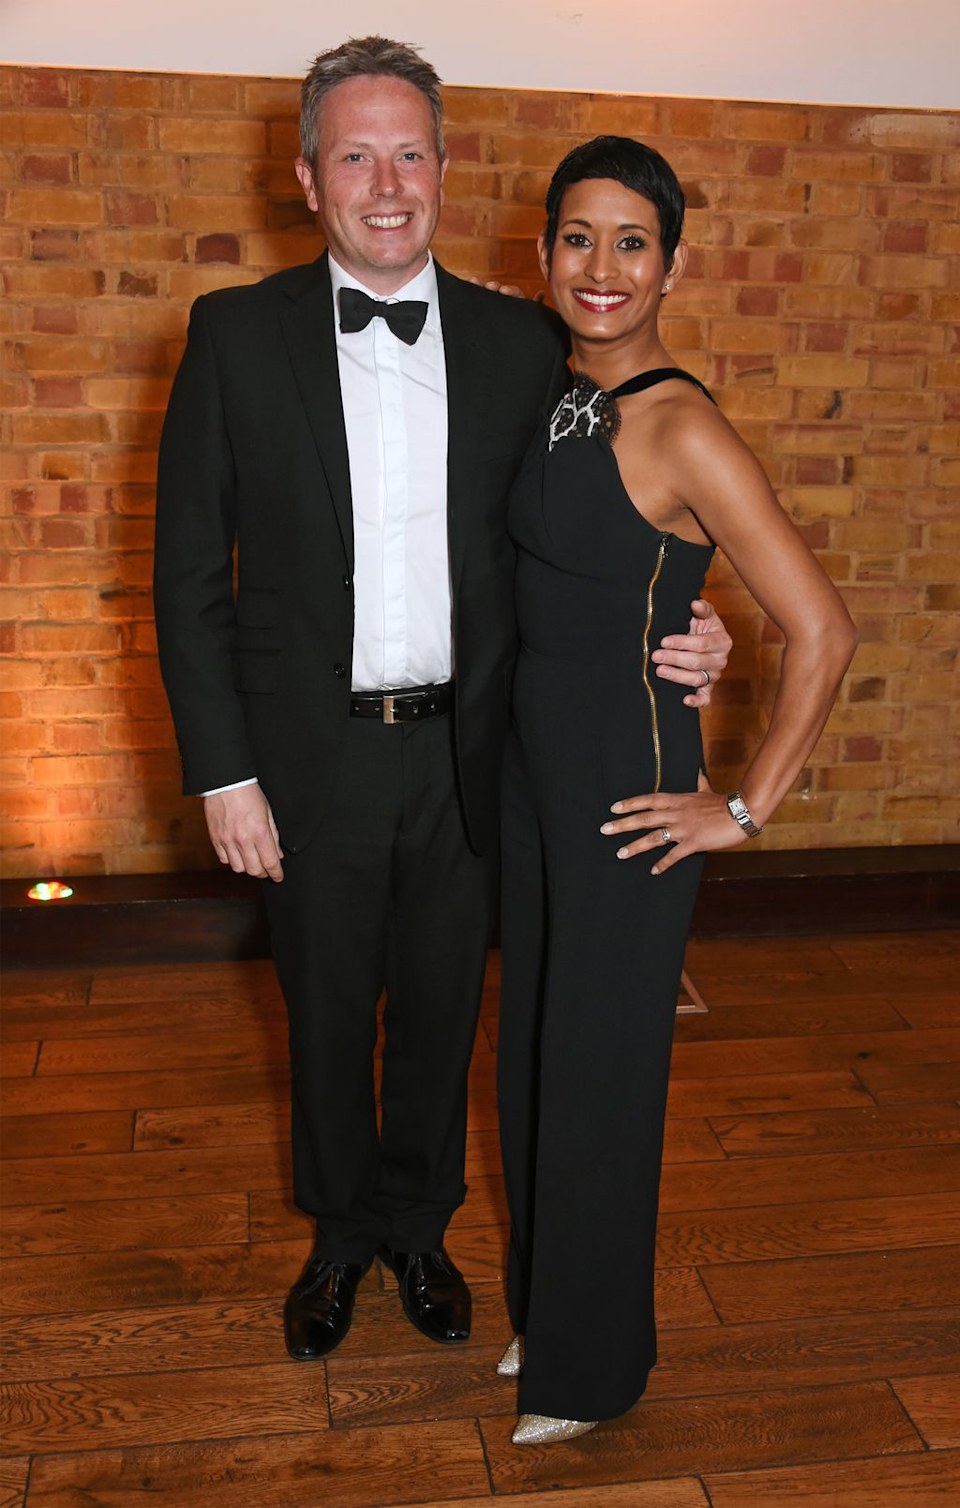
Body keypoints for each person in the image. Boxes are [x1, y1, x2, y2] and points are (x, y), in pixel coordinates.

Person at [153, 40, 731, 1365]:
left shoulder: (525, 341)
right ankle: (338, 1234)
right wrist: (222, 773)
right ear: (309, 178)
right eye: (355, 156)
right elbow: (187, 577)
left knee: (440, 1010)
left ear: (445, 170)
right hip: (307, 758)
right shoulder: (233, 337)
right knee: (321, 1010)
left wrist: (689, 630)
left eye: (410, 153)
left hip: (480, 755)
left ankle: (420, 1228)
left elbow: (601, 529)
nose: (387, 183)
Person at [495, 135, 858, 1446]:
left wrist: (743, 809)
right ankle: (551, 1312)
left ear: (672, 266)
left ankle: (592, 1374)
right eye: (579, 237)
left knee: (600, 1079)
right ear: (544, 252)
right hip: (533, 784)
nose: (603, 267)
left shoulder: (681, 426)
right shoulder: (545, 386)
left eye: (632, 242)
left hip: (629, 794)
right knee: (533, 1060)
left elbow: (823, 629)